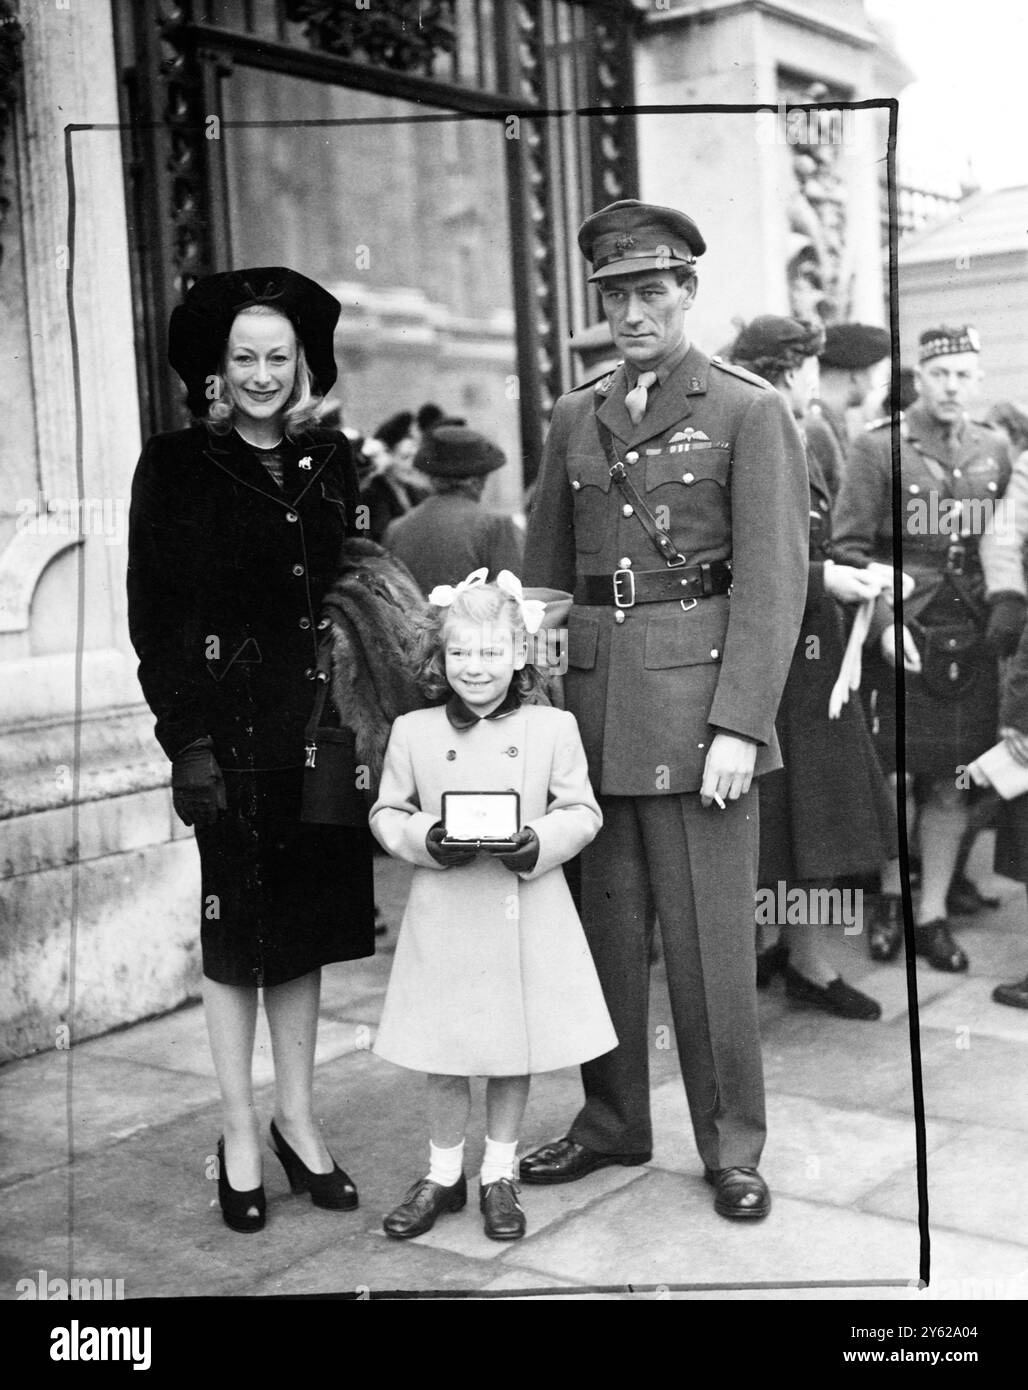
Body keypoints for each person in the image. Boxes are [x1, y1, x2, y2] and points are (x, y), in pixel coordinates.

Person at [519, 199, 809, 1220]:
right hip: (592, 715)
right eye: (615, 295)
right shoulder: (572, 413)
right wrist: (531, 718)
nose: (632, 312)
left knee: (709, 948)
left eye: (652, 291)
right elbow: (545, 579)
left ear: (688, 291)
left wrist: (741, 724)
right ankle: (610, 1121)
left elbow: (772, 584)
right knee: (601, 937)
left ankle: (730, 1142)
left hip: (699, 718)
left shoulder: (746, 408)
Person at [127, 267, 375, 1233]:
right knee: (237, 943)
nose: (264, 374)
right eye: (245, 359)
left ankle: (298, 1122)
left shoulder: (332, 460)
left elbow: (353, 585)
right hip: (226, 740)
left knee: (305, 933)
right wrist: (185, 740)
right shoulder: (177, 466)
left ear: (301, 363)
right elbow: (159, 613)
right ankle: (237, 1133)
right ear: (218, 371)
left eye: (280, 357)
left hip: (317, 733)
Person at [369, 573, 616, 1241]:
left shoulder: (552, 728)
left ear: (518, 654)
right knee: (445, 1051)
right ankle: (443, 1175)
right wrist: (425, 837)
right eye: (460, 655)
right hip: (446, 908)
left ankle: (498, 1174)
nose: (474, 668)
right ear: (440, 660)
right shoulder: (414, 731)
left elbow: (582, 812)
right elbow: (388, 811)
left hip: (523, 909)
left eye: (488, 653)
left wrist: (537, 841)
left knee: (513, 1051)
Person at [833, 325, 1015, 971]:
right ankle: (889, 899)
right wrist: (883, 622)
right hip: (900, 636)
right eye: (941, 375)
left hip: (970, 640)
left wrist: (1006, 609)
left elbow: (1006, 541)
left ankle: (932, 912)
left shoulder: (995, 450)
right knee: (894, 777)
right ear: (920, 376)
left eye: (965, 375)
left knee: (951, 784)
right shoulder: (877, 449)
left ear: (977, 379)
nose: (952, 387)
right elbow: (847, 551)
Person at [729, 316, 895, 1020]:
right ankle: (802, 962)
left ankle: (798, 955)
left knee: (805, 821)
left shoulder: (793, 427)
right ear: (796, 371)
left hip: (806, 653)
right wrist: (829, 576)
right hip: (785, 657)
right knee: (789, 820)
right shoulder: (776, 428)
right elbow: (750, 553)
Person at [382, 424, 524, 595]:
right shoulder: (495, 525)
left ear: (432, 478)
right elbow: (514, 597)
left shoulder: (396, 529)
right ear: (478, 481)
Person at [813, 322, 891, 452]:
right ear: (855, 377)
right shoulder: (818, 429)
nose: (873, 385)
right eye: (872, 373)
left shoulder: (830, 421)